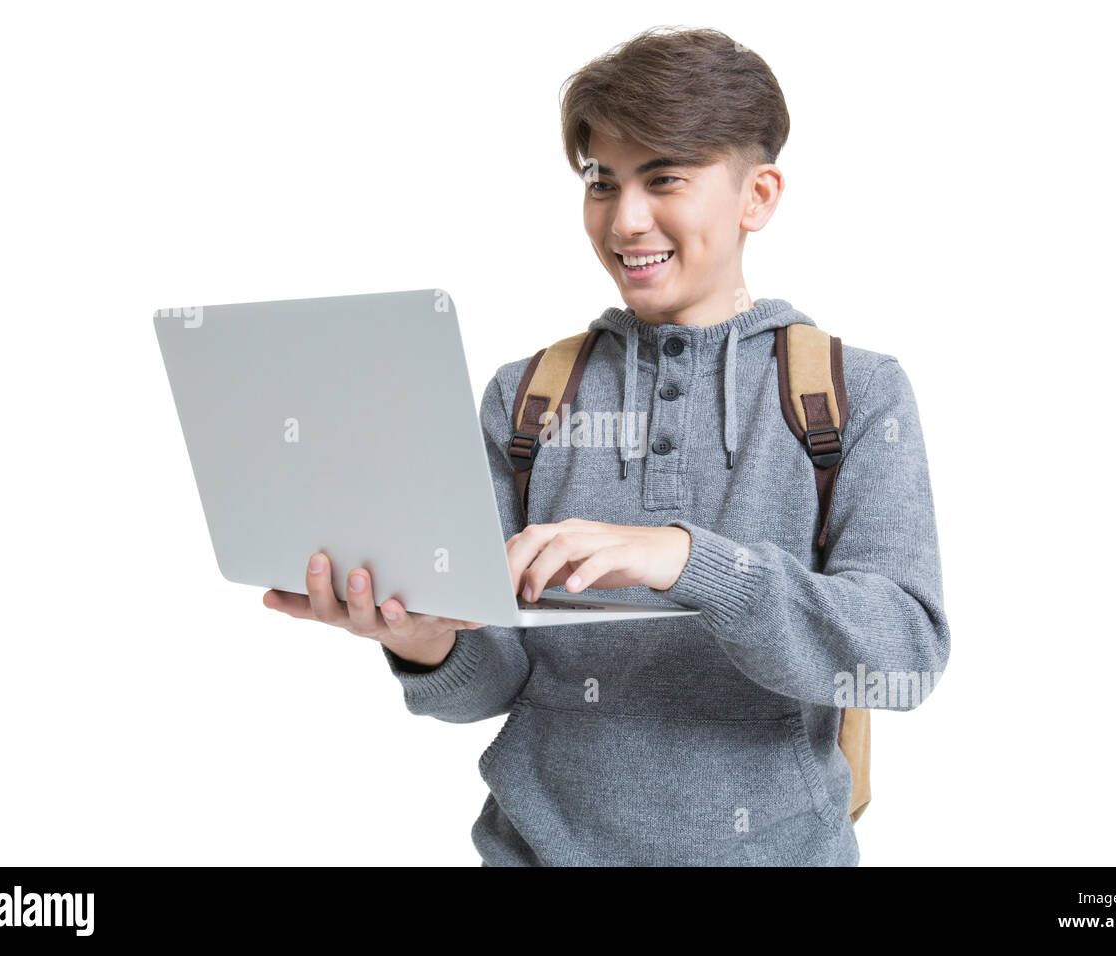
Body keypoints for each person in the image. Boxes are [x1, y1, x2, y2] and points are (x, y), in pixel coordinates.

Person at [264, 26, 951, 866]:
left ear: (758, 195)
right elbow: (495, 680)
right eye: (601, 181)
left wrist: (685, 560)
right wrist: (421, 639)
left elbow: (906, 657)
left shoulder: (854, 394)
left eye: (664, 178)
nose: (625, 221)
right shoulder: (526, 398)